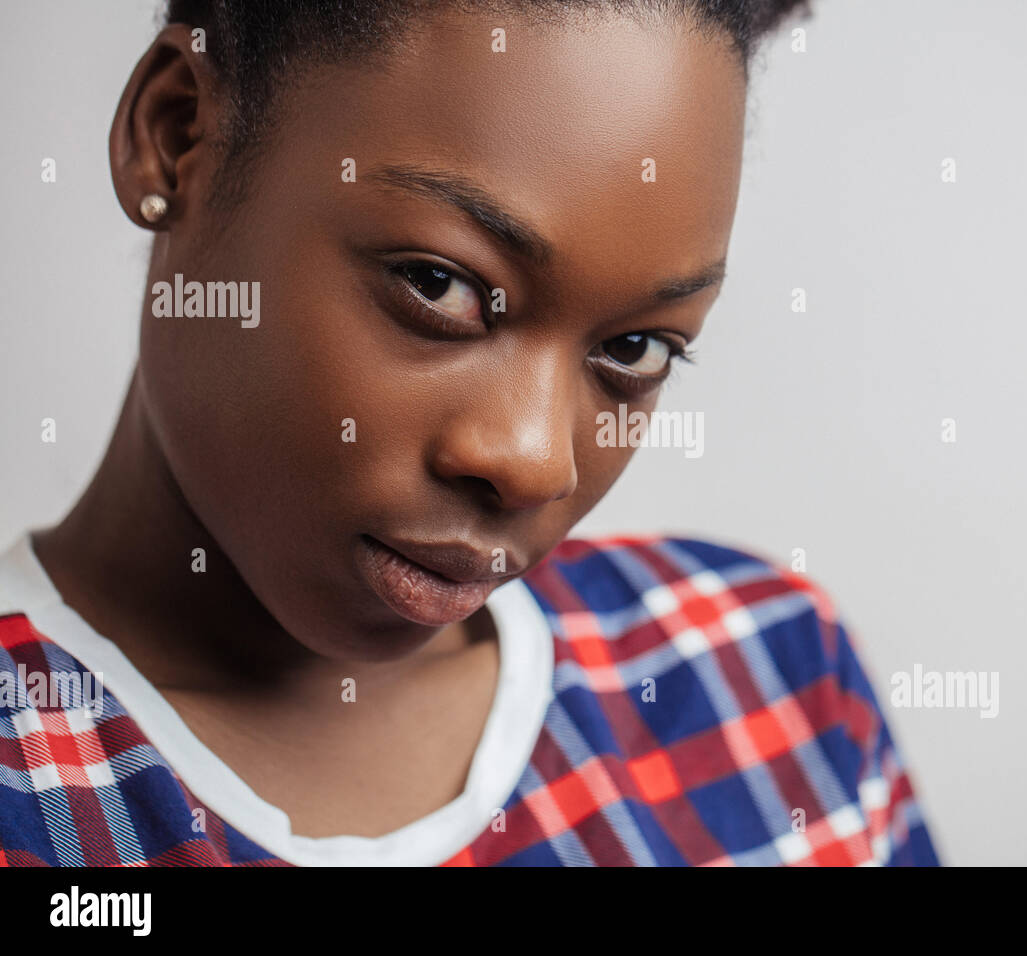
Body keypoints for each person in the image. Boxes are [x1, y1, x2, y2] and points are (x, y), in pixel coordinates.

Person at [0, 0, 938, 866]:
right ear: (177, 136)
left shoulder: (767, 676)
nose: (535, 461)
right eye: (438, 286)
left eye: (638, 349)